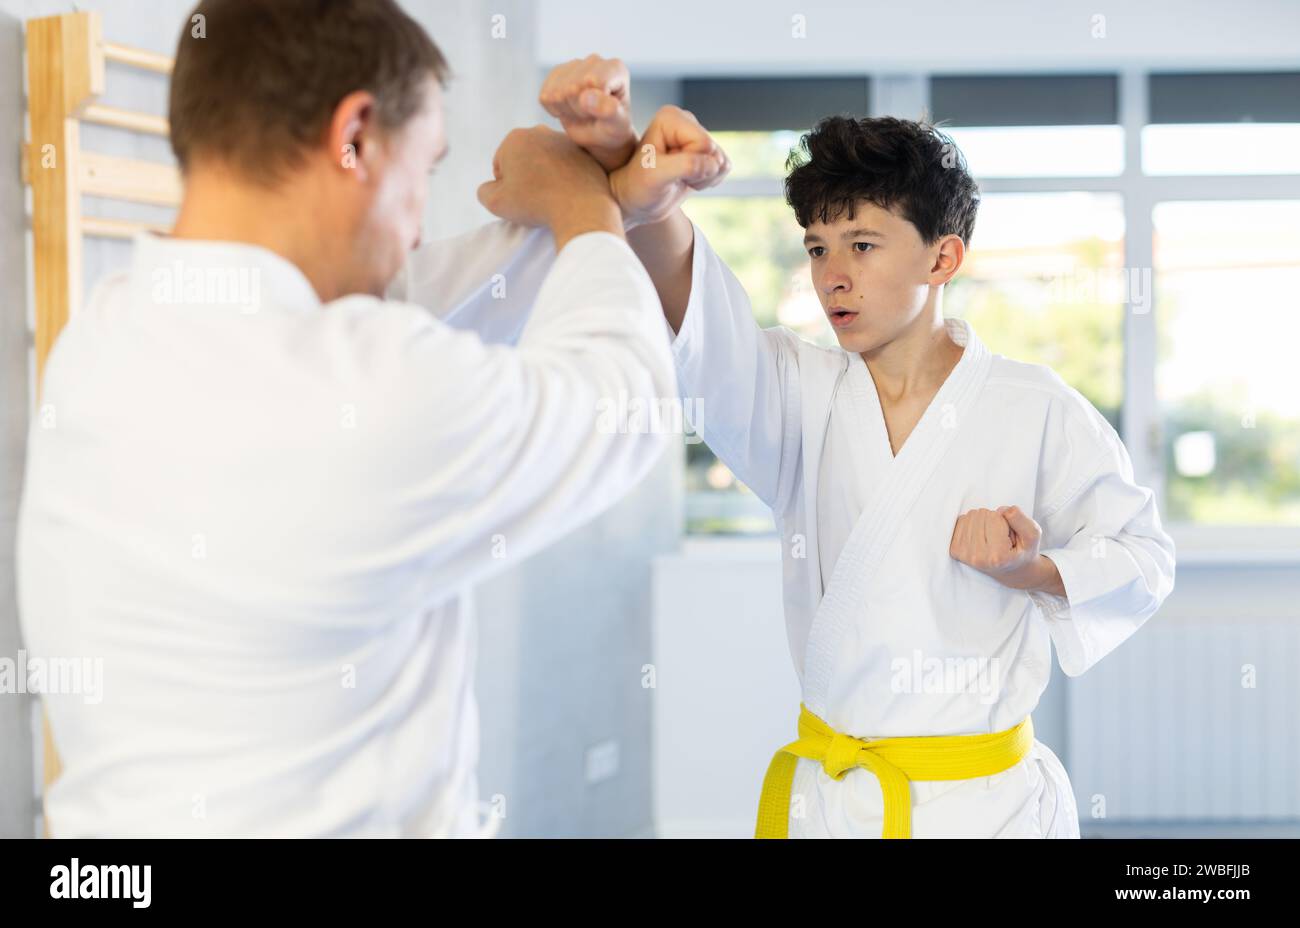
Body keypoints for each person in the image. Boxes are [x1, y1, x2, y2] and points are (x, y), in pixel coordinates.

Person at [16, 1, 722, 837]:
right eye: (423, 171)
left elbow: (399, 317)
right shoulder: (369, 401)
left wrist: (602, 199)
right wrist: (582, 210)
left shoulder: (107, 333)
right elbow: (624, 401)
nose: (419, 221)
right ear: (352, 135)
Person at [539, 57, 1176, 838]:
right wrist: (620, 159)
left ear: (942, 258)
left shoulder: (1034, 407)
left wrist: (1028, 570)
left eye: (863, 246)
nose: (832, 277)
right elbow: (697, 305)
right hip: (835, 801)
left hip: (983, 806)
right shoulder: (795, 391)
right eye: (816, 249)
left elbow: (1146, 558)